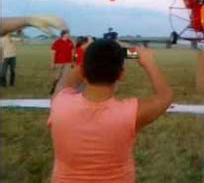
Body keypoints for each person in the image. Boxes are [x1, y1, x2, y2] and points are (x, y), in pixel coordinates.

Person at [48, 39, 173, 182]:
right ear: (121, 75)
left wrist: (90, 55)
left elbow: (65, 81)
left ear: (83, 70)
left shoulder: (60, 103)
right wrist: (148, 62)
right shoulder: (129, 114)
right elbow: (165, 97)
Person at [50, 30, 75, 95]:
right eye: (67, 34)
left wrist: (72, 62)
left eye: (68, 34)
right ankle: (54, 88)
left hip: (68, 62)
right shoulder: (57, 42)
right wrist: (52, 63)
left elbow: (72, 52)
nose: (68, 35)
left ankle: (64, 90)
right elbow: (53, 53)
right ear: (63, 34)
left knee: (66, 76)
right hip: (59, 62)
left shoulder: (70, 42)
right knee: (57, 77)